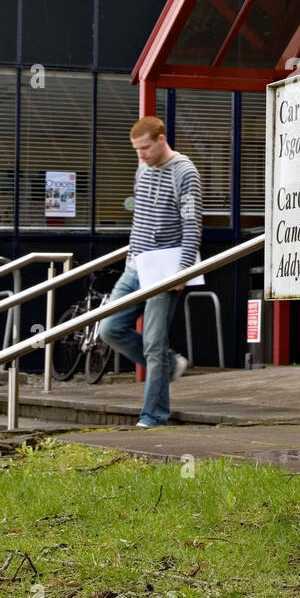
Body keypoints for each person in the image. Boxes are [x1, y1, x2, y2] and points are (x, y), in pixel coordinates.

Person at [98, 117, 203, 428]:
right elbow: (140, 218)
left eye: (145, 148)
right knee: (110, 328)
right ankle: (170, 365)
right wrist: (131, 256)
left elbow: (192, 224)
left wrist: (182, 271)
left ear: (161, 139)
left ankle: (153, 416)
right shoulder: (142, 167)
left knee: (153, 343)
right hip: (137, 263)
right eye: (136, 149)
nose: (140, 154)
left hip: (166, 268)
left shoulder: (185, 173)